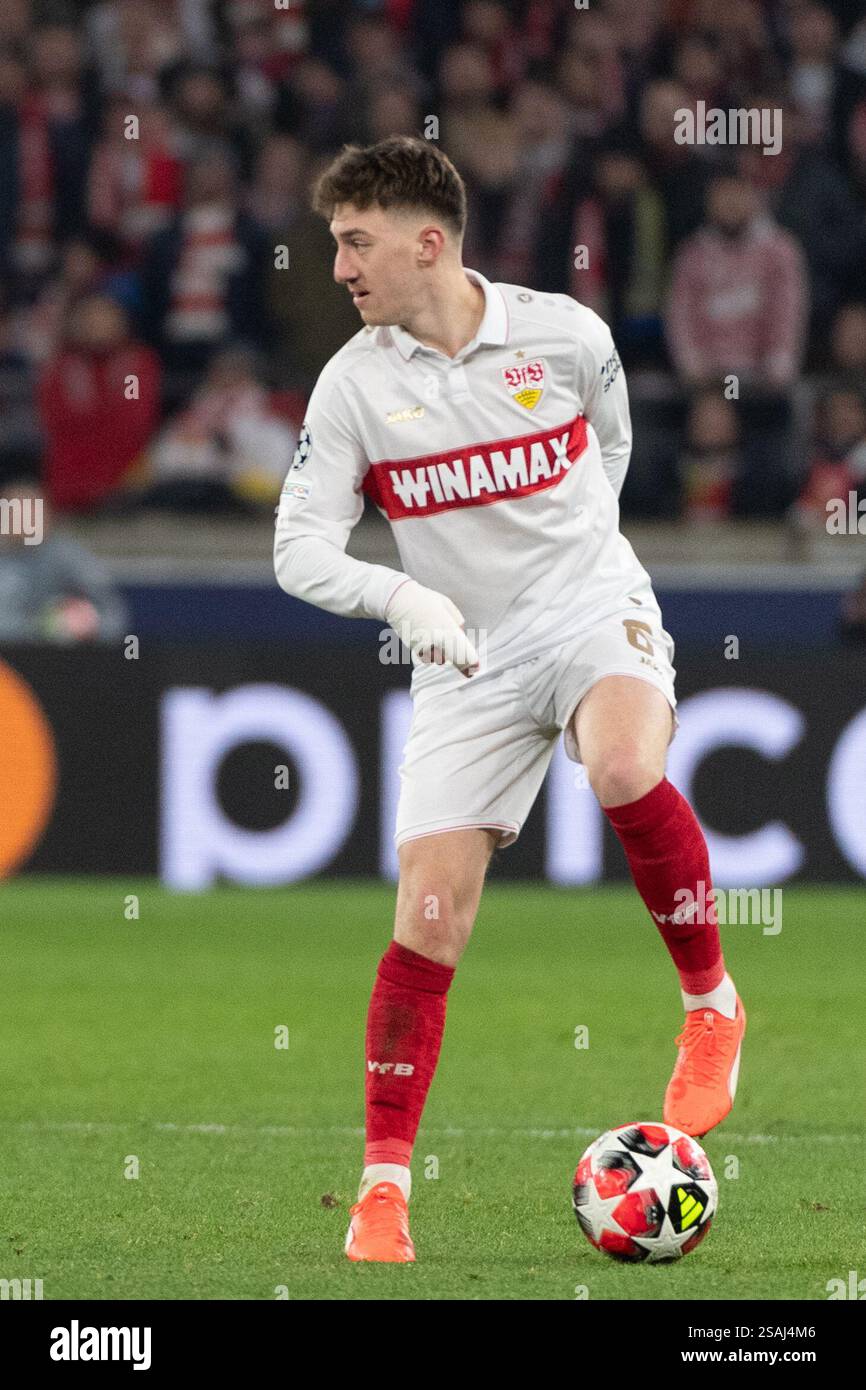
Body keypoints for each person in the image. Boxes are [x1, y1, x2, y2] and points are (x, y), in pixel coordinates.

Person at [273, 136, 746, 1264]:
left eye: (354, 241)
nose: (336, 264)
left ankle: (710, 1007)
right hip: (457, 654)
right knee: (427, 921)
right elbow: (296, 548)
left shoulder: (563, 334)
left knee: (625, 766)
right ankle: (382, 1193)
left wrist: (578, 569)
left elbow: (614, 444)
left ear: (426, 241)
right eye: (335, 241)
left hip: (585, 607)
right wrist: (405, 600)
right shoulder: (354, 384)